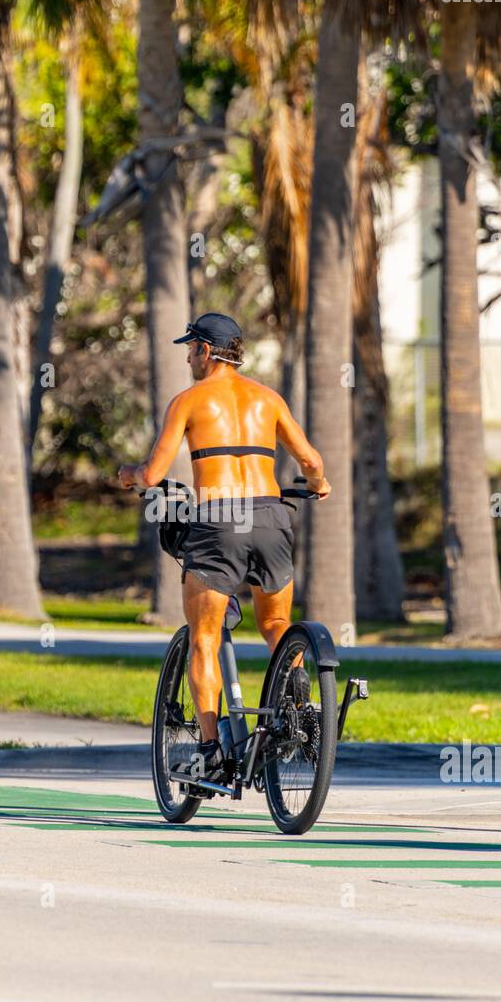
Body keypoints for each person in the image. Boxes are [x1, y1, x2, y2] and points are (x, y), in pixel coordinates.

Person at [118, 312, 330, 780]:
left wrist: (130, 475)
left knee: (205, 638)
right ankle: (299, 705)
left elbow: (153, 475)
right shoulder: (268, 399)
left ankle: (211, 751)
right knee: (275, 622)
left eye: (191, 348)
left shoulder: (189, 401)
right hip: (272, 518)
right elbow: (311, 460)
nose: (188, 357)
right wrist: (318, 483)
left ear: (207, 352)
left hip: (218, 521)